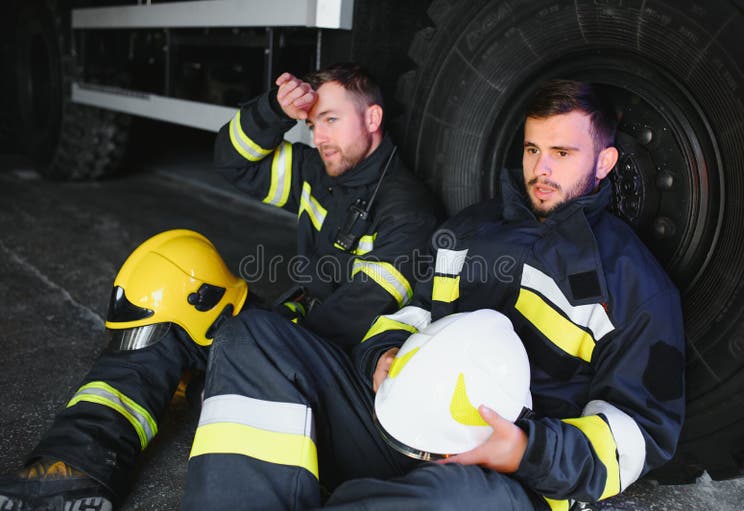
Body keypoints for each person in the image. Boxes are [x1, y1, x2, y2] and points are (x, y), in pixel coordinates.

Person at [181, 79, 685, 510]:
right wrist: (380, 355)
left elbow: (639, 433)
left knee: (454, 504)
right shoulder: (469, 228)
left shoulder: (635, 284)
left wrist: (526, 450)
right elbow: (409, 311)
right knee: (252, 336)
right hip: (394, 417)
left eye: (562, 153)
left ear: (605, 162)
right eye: (533, 150)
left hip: (499, 475)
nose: (541, 169)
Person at [0, 63, 440, 510]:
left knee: (241, 334)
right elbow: (233, 164)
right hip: (299, 332)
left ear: (372, 119)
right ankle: (72, 466)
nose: (319, 137)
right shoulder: (321, 172)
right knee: (173, 273)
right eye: (312, 124)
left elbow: (349, 321)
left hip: (342, 372)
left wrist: (259, 335)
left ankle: (203, 377)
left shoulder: (407, 212)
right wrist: (274, 110)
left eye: (330, 120)